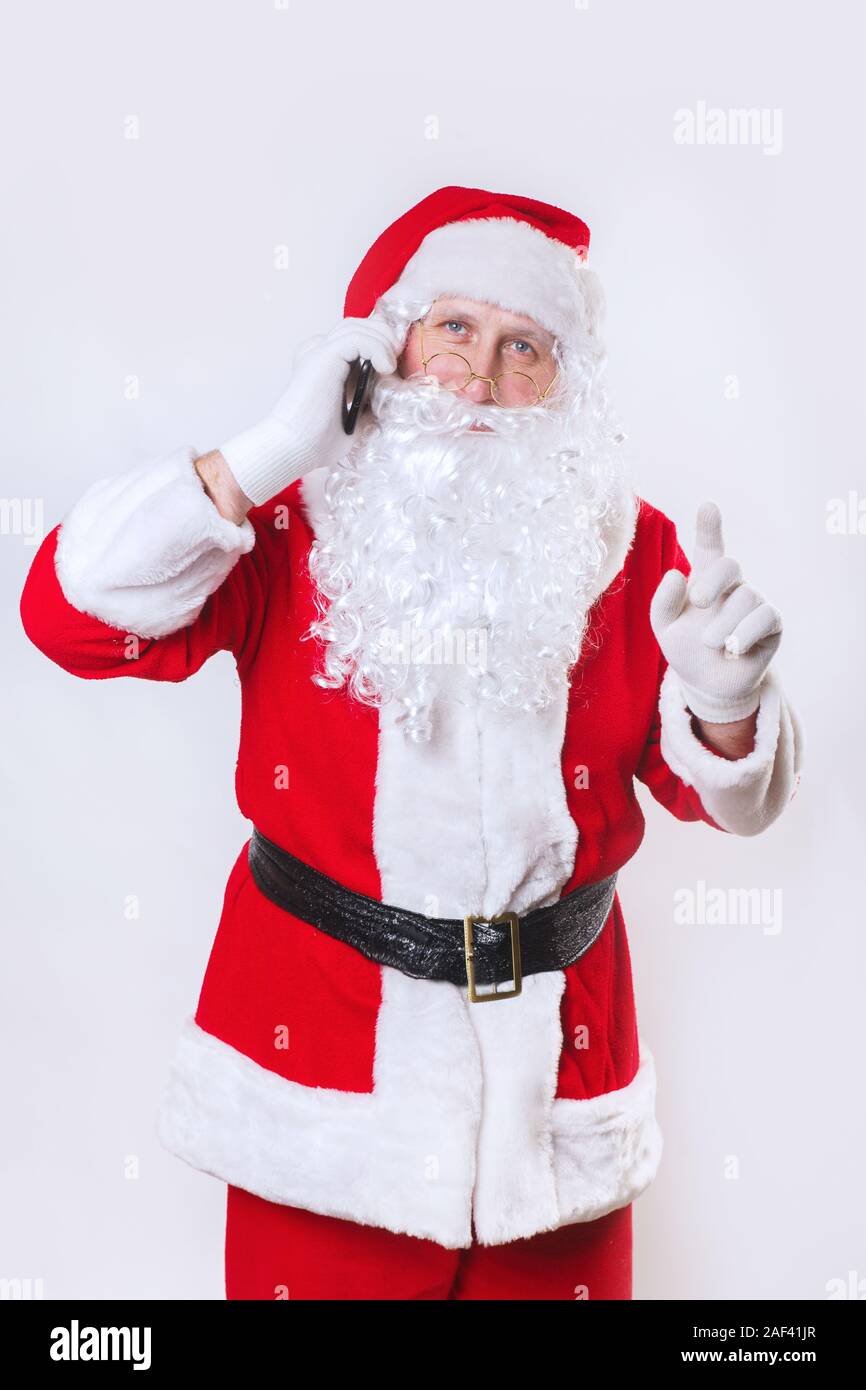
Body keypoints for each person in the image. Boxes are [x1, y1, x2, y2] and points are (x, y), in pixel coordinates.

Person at [19, 185, 804, 1301]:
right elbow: (70, 616)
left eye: (521, 346)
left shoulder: (632, 548)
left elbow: (728, 797)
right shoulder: (289, 521)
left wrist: (729, 705)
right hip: (323, 1105)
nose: (480, 382)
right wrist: (262, 452)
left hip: (557, 1107)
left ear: (561, 379)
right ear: (386, 344)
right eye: (453, 332)